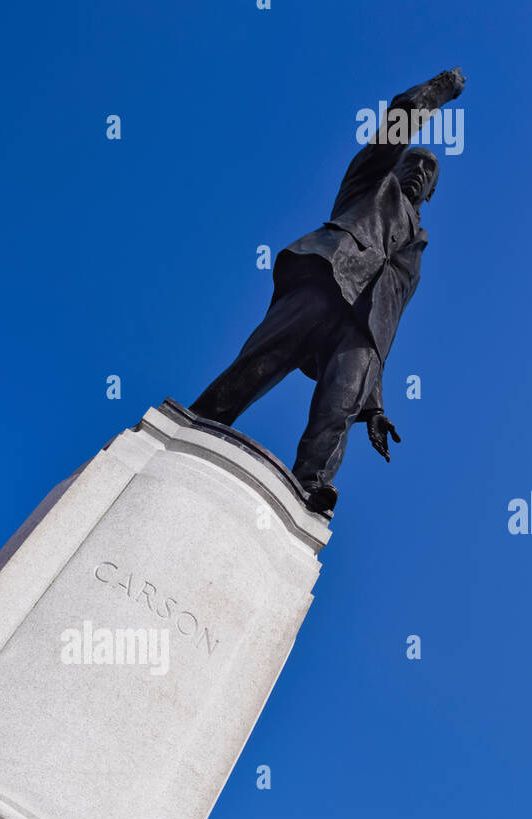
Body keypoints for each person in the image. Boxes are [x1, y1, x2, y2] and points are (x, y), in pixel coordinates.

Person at [190, 68, 465, 513]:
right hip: (326, 281)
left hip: (364, 332)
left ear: (432, 191)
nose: (418, 172)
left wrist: (373, 405)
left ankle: (309, 488)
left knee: (337, 412)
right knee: (260, 363)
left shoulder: (417, 249)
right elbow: (394, 125)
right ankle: (198, 424)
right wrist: (433, 93)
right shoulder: (370, 182)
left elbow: (390, 323)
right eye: (413, 163)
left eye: (428, 172)